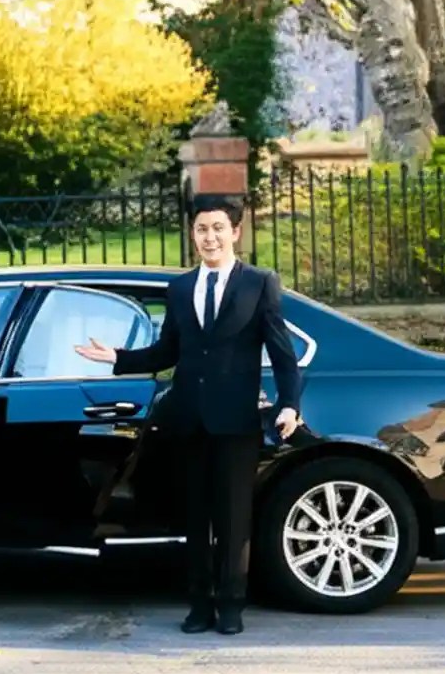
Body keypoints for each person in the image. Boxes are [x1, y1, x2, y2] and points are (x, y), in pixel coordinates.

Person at [74, 193, 302, 636]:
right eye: (201, 229)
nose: (209, 237)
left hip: (236, 423)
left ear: (235, 231)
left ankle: (232, 606)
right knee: (195, 520)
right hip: (188, 421)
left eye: (218, 228)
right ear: (192, 235)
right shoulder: (179, 289)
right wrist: (117, 357)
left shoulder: (259, 283)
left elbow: (282, 353)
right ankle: (199, 605)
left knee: (234, 520)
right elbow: (167, 351)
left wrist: (289, 402)